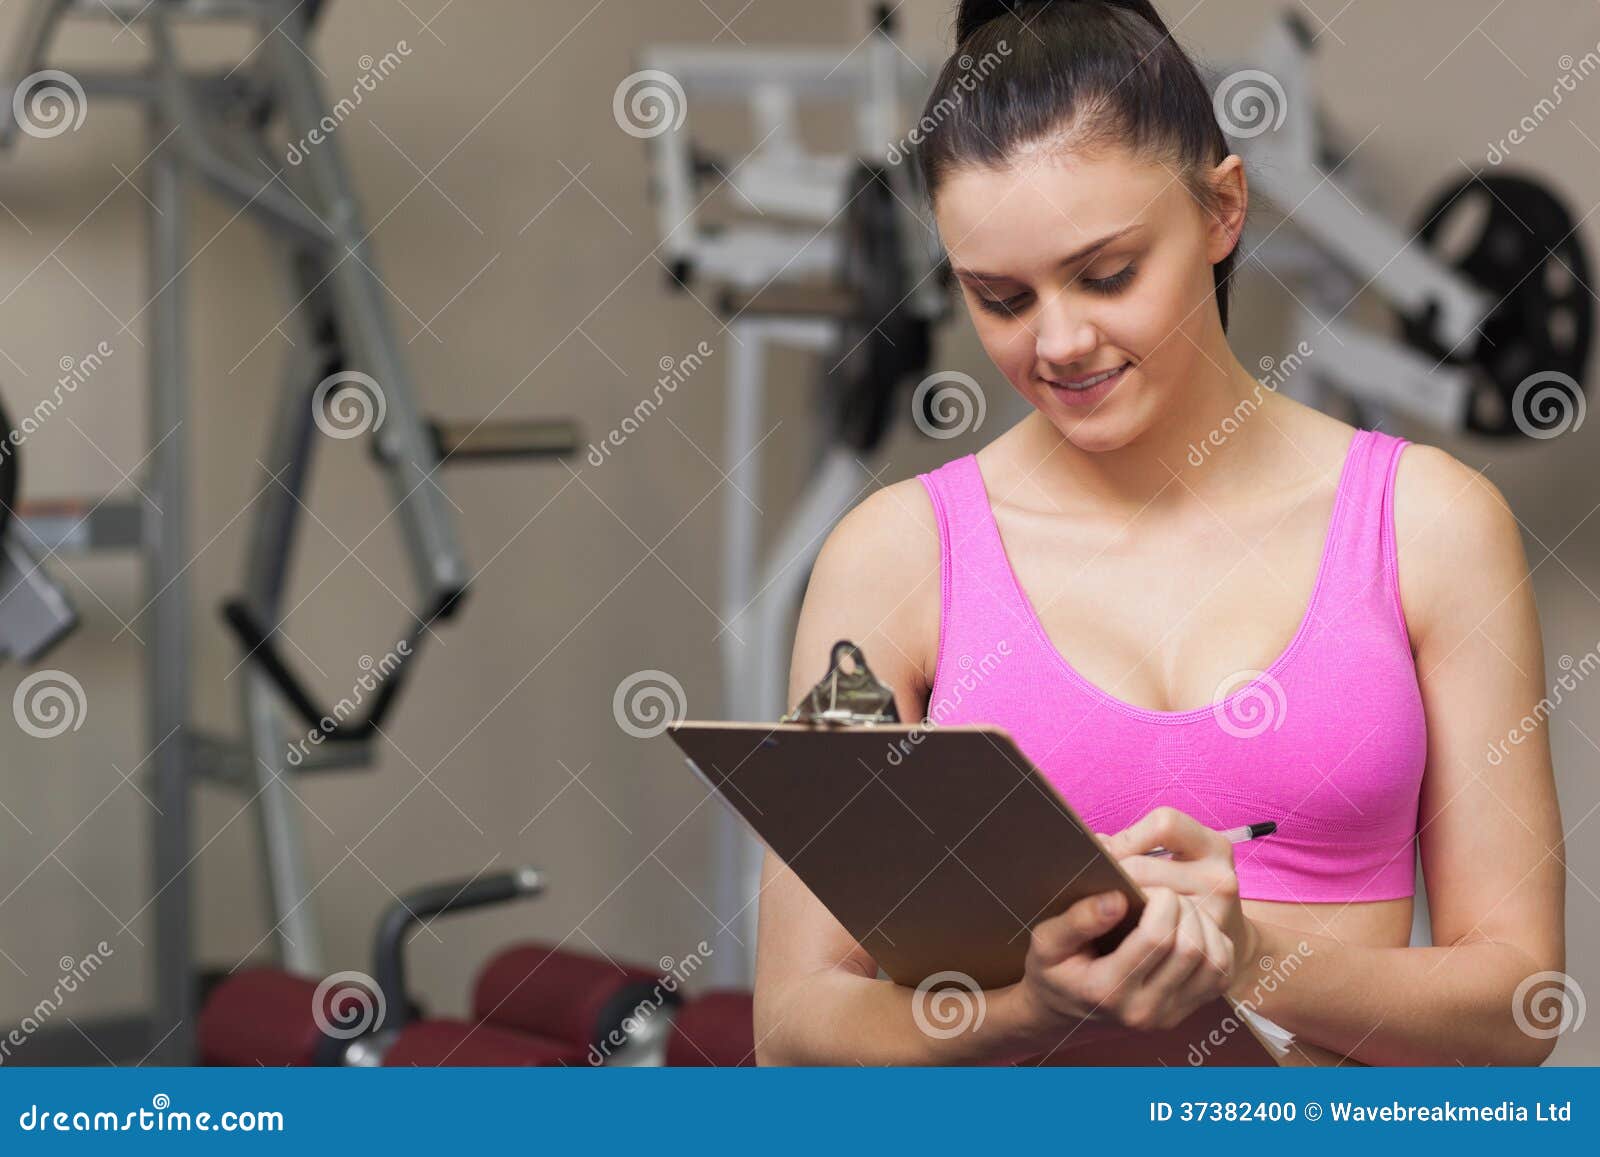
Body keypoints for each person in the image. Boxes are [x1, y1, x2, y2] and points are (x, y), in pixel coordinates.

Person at [753, 0, 1566, 1066]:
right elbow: (793, 1022)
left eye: (1106, 274)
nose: (1060, 342)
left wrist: (1244, 953)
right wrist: (1024, 1008)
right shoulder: (892, 558)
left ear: (1222, 207)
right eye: (999, 298)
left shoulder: (1428, 524)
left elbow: (1521, 1008)